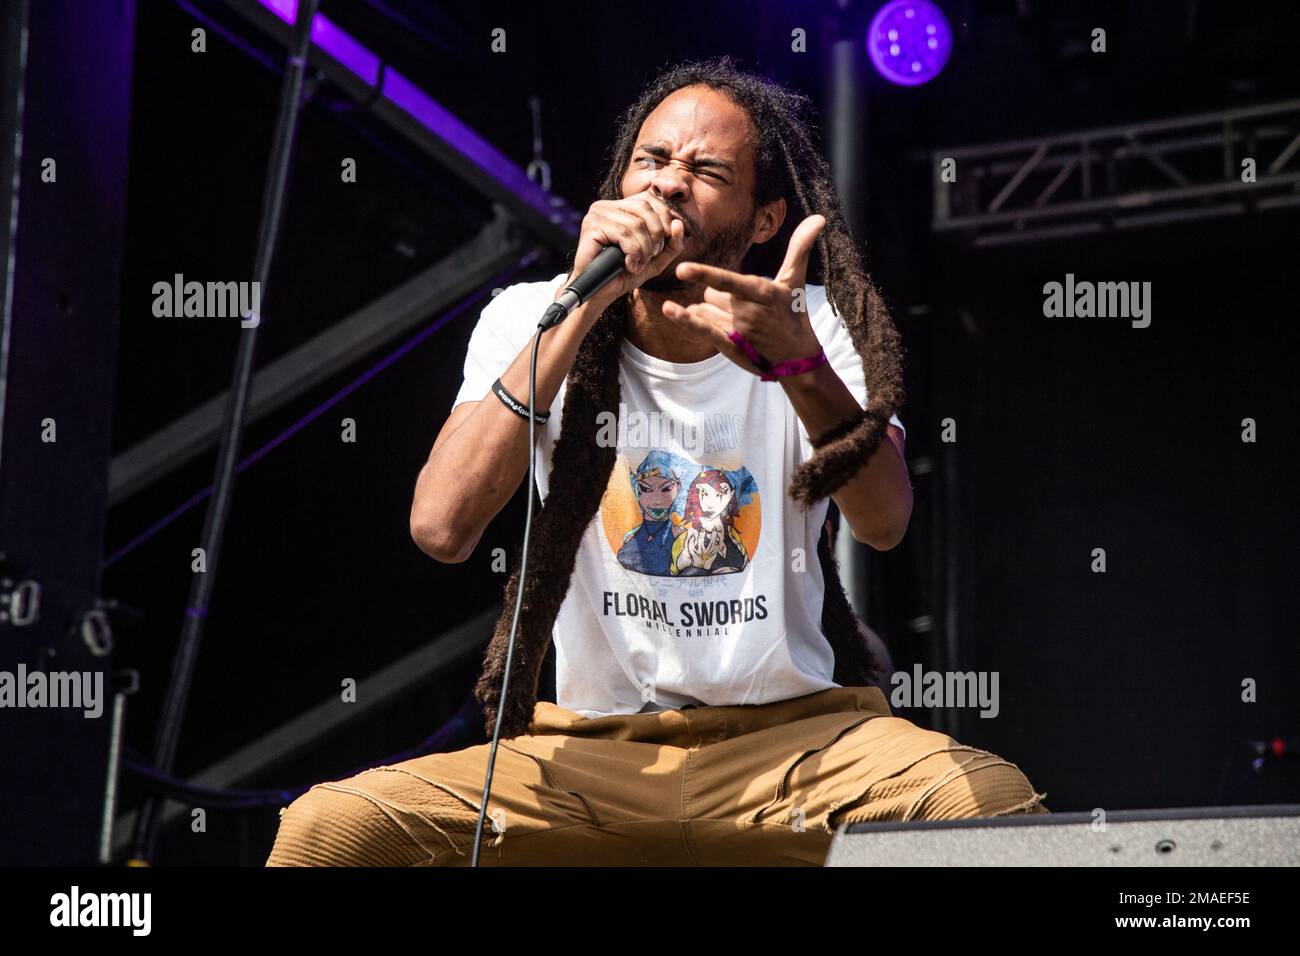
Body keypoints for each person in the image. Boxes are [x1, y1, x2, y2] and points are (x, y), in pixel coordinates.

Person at [266, 56, 1047, 867]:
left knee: (983, 805)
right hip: (592, 758)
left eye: (707, 170)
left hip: (791, 749)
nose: (670, 183)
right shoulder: (529, 318)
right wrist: (581, 301)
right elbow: (440, 525)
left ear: (764, 219)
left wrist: (797, 366)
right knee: (330, 831)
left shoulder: (812, 322)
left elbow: (885, 522)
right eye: (652, 159)